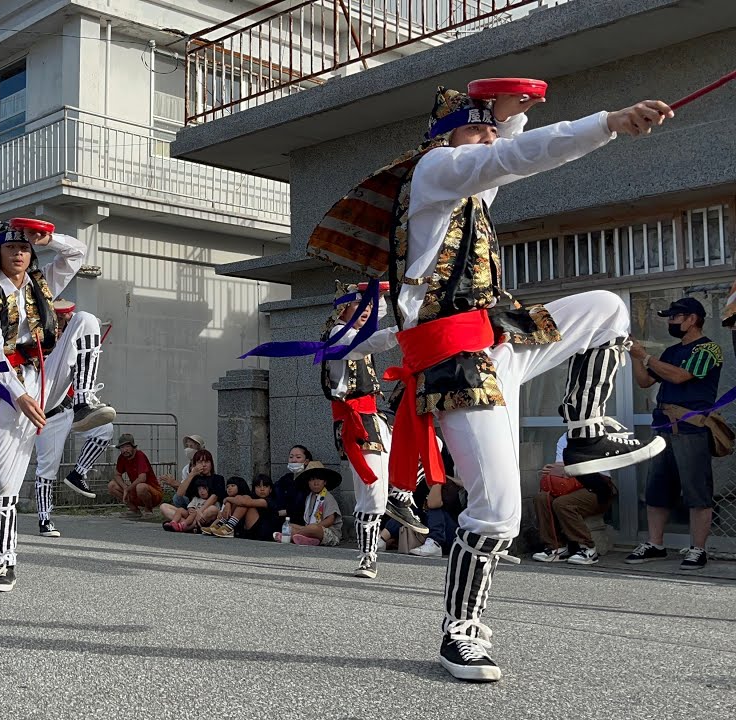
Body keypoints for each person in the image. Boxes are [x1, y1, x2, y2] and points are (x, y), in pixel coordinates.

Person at [285, 83, 673, 681]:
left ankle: (586, 429)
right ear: (445, 137)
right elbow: (506, 160)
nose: (490, 139)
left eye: (492, 131)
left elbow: (499, 163)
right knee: (497, 513)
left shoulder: (462, 189)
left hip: (499, 340)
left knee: (606, 309)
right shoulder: (435, 169)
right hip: (457, 367)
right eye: (479, 128)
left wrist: (506, 119)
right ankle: (461, 632)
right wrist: (610, 121)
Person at [0, 217, 113, 592]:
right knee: (4, 483)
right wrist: (20, 395)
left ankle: (83, 400)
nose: (19, 254)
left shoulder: (38, 285)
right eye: (11, 247)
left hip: (44, 378)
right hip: (7, 390)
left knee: (85, 320)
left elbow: (77, 253)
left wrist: (48, 238)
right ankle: (5, 562)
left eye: (25, 248)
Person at [319, 281, 428, 580]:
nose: (366, 311)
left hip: (375, 416)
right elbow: (368, 342)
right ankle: (367, 557)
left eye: (367, 306)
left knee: (430, 444)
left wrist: (378, 293)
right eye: (359, 305)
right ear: (343, 308)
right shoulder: (338, 335)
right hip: (355, 422)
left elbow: (374, 320)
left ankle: (400, 495)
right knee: (371, 494)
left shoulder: (356, 330)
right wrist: (403, 330)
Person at [627, 296, 722, 570]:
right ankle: (655, 544)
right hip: (663, 426)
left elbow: (681, 376)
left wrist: (645, 356)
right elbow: (645, 381)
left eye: (674, 317)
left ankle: (698, 549)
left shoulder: (709, 349)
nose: (670, 321)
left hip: (692, 427)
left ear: (692, 319)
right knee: (656, 488)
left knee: (697, 490)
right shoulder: (670, 351)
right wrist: (634, 356)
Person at [31, 299, 117, 537]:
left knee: (105, 431)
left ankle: (78, 473)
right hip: (41, 402)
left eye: (65, 319)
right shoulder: (39, 333)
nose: (63, 323)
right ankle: (44, 518)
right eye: (60, 319)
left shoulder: (70, 340)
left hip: (64, 408)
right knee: (47, 469)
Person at [532, 435, 615, 566]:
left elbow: (596, 469)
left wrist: (566, 468)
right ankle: (556, 547)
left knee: (563, 503)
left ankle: (588, 549)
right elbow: (561, 466)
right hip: (571, 484)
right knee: (542, 498)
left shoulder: (600, 436)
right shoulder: (565, 438)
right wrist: (552, 470)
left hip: (598, 487)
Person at [274, 465, 344, 546]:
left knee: (313, 529)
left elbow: (330, 520)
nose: (316, 483)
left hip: (326, 531)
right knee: (289, 526)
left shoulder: (328, 497)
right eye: (312, 480)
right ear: (308, 482)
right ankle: (308, 539)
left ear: (325, 482)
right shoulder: (309, 497)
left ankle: (291, 537)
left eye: (319, 479)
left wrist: (314, 527)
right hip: (308, 528)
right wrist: (307, 528)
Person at [163, 449, 224, 527]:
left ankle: (185, 525)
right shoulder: (194, 479)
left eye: (206, 462)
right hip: (191, 512)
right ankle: (188, 525)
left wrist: (199, 511)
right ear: (195, 464)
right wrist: (192, 474)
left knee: (212, 509)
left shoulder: (218, 478)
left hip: (206, 512)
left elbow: (214, 497)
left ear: (211, 464)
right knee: (164, 507)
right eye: (200, 462)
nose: (204, 465)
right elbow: (179, 494)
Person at [110, 433, 162, 518]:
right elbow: (117, 475)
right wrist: (124, 487)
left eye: (127, 446)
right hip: (135, 491)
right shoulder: (122, 457)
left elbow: (142, 478)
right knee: (112, 485)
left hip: (153, 493)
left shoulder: (139, 455)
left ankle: (148, 510)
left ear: (133, 447)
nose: (125, 450)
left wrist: (128, 489)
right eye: (122, 447)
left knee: (140, 487)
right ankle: (134, 510)